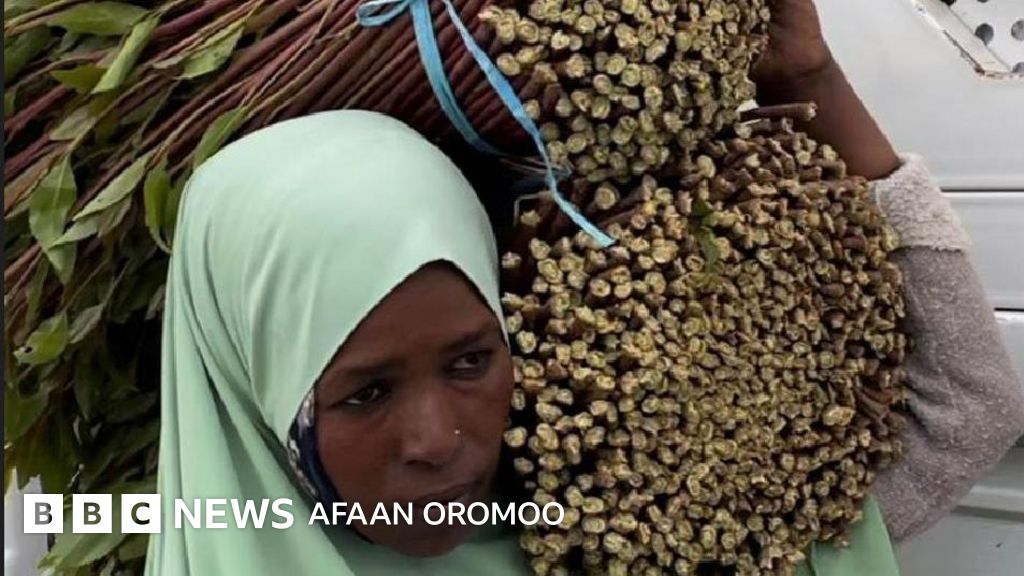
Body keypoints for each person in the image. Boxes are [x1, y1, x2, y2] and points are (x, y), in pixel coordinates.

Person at [146, 2, 1024, 574]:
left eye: (471, 361)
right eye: (365, 392)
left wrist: (809, 79)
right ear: (249, 388)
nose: (438, 441)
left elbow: (974, 405)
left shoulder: (628, 536)